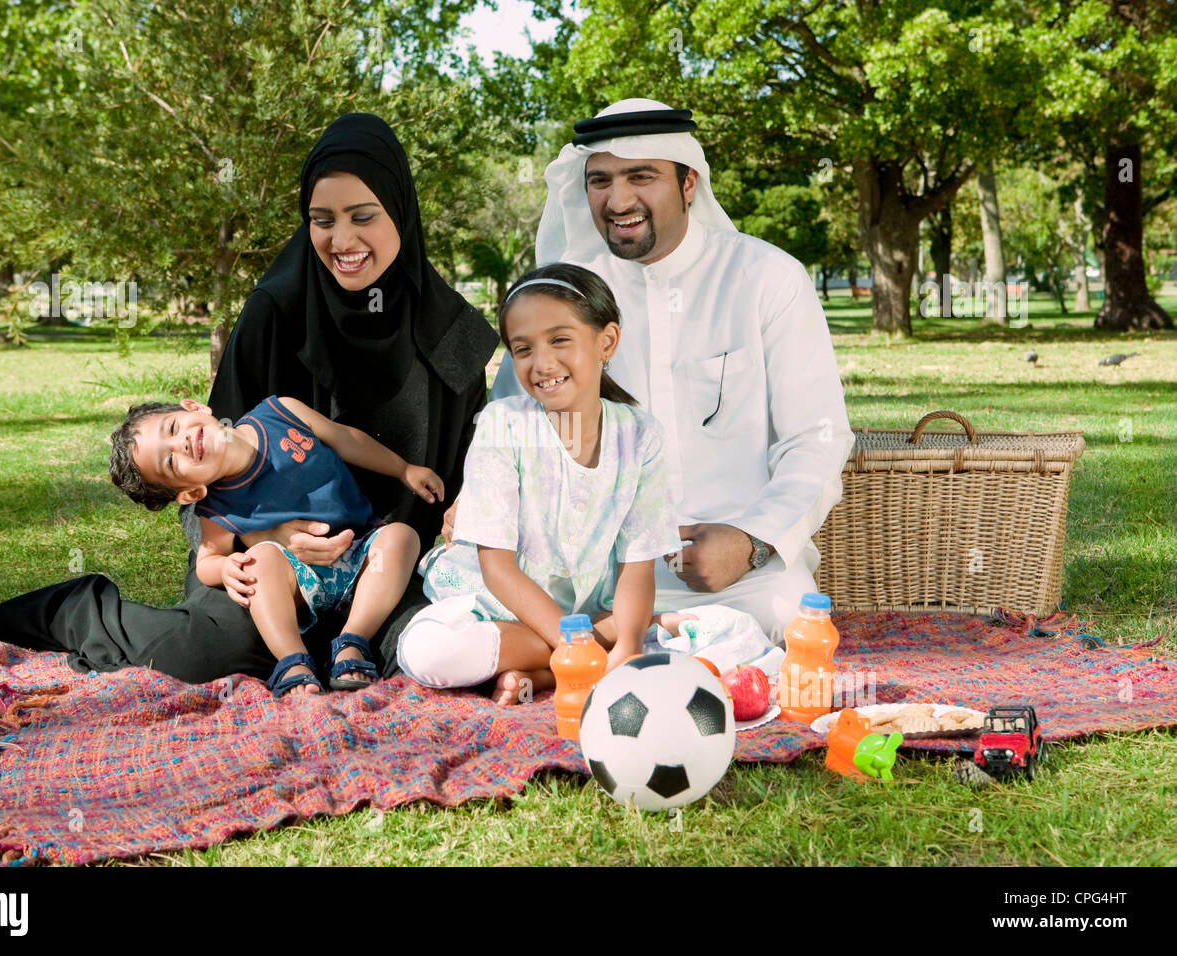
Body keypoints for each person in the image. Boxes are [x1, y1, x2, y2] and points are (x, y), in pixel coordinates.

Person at [0, 114, 499, 683]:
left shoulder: (451, 332)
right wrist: (265, 541)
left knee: (429, 654)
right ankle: (74, 610)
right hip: (264, 556)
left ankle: (350, 647)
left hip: (388, 559)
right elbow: (207, 478)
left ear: (400, 210)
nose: (342, 242)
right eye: (322, 220)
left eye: (363, 217)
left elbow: (479, 461)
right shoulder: (277, 310)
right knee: (201, 653)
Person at [473, 99, 855, 643]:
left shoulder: (768, 279)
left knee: (791, 622)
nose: (618, 199)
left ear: (689, 183)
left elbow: (816, 440)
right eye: (600, 180)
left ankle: (568, 653)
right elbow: (513, 428)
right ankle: (602, 642)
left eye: (641, 176)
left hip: (733, 575)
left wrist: (751, 541)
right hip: (586, 576)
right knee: (450, 641)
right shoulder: (563, 295)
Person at [398, 263, 700, 705]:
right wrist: (584, 645)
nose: (542, 363)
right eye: (522, 349)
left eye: (560, 340)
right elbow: (497, 570)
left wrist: (631, 647)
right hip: (495, 606)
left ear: (606, 341)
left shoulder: (640, 434)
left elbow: (637, 563)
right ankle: (584, 650)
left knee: (687, 627)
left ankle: (544, 673)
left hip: (583, 609)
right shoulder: (503, 425)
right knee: (427, 652)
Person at [108, 395, 445, 696]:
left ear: (194, 407)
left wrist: (403, 469)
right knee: (257, 560)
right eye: (169, 462)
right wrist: (225, 567)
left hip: (360, 557)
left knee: (401, 536)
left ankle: (351, 643)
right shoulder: (217, 507)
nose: (180, 443)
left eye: (172, 427)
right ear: (191, 493)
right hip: (300, 583)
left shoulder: (280, 412)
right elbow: (207, 560)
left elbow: (345, 439)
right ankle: (294, 664)